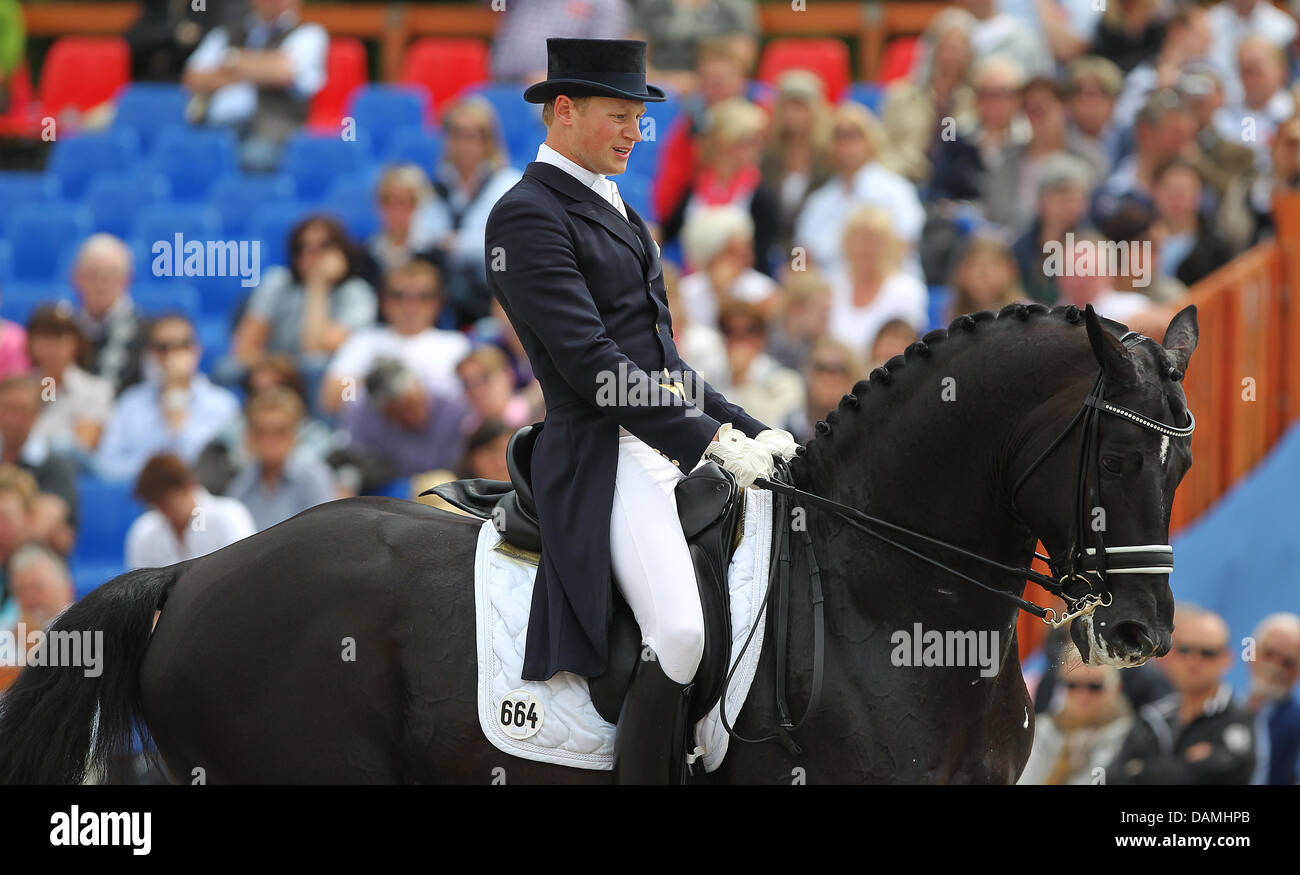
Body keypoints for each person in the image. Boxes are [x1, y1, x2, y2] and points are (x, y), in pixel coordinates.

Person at [489, 38, 796, 783]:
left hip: (657, 439)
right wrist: (708, 442)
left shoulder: (618, 204)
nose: (636, 133)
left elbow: (665, 366)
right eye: (620, 116)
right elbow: (595, 366)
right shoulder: (528, 214)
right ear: (564, 112)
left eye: (639, 118)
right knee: (681, 630)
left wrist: (754, 430)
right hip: (602, 450)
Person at [223, 215, 377, 408]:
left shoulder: (357, 293)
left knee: (317, 367)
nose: (312, 255)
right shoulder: (277, 282)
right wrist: (277, 367)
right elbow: (244, 347)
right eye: (303, 248)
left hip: (326, 380)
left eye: (323, 246)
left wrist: (318, 285)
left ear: (341, 250)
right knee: (226, 370)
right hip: (276, 370)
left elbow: (314, 348)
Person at [1106, 603, 1257, 784]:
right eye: (1184, 650)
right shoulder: (1154, 715)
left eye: (1207, 653)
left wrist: (1141, 771)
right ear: (1170, 655)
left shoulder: (1237, 719)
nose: (1194, 661)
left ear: (1226, 659)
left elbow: (1214, 776)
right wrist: (1186, 763)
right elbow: (1114, 776)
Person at [412, 95, 524, 327]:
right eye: (456, 134)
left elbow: (508, 245)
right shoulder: (437, 186)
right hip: (442, 292)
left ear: (487, 141)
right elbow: (419, 237)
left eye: (471, 136)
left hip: (493, 292)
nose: (464, 144)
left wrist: (455, 244)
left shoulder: (508, 184)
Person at [180, 0, 327, 171]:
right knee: (187, 156)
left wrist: (231, 62)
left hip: (273, 134)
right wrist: (258, 70)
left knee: (254, 157)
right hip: (216, 127)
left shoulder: (309, 33)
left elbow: (283, 73)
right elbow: (192, 79)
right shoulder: (226, 32)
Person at [95, 313, 241, 483]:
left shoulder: (223, 404)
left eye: (182, 345)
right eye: (163, 347)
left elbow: (206, 467)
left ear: (197, 349)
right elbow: (106, 464)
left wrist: (175, 399)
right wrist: (154, 470)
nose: (172, 355)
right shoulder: (131, 402)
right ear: (151, 354)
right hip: (137, 496)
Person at [318, 259, 470, 416]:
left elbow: (468, 401)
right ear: (384, 301)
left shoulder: (455, 346)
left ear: (438, 302)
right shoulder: (363, 341)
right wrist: (379, 385)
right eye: (398, 295)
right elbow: (335, 398)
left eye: (423, 296)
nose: (410, 305)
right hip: (371, 434)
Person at [338, 357, 472, 483]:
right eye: (401, 412)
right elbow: (356, 461)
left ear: (421, 389)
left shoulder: (452, 407)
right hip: (389, 489)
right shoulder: (363, 413)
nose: (412, 416)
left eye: (417, 404)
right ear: (384, 411)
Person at [223, 387, 336, 532]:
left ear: (294, 434)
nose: (269, 440)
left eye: (279, 431)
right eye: (260, 431)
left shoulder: (313, 477)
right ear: (249, 435)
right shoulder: (243, 480)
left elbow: (325, 533)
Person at [1018, 645, 1135, 785]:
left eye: (1094, 687)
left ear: (1116, 688)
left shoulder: (1130, 738)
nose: (1082, 697)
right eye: (1072, 685)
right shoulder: (1044, 730)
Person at [125, 452, 256, 569]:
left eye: (167, 502)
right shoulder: (143, 532)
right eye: (156, 505)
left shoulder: (230, 517)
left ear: (187, 486)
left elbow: (243, 574)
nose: (163, 511)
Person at [24, 303, 116, 461]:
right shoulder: (19, 388)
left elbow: (84, 444)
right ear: (32, 343)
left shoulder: (95, 390)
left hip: (68, 478)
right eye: (45, 337)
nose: (53, 346)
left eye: (60, 337)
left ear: (76, 342)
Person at [676, 204, 779, 330]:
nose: (746, 257)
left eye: (747, 249)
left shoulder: (763, 289)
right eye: (733, 253)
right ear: (710, 256)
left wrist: (723, 296)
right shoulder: (686, 292)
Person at [71, 233, 146, 395]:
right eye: (93, 274)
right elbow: (46, 386)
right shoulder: (62, 331)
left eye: (110, 275)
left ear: (127, 280)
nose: (101, 284)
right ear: (76, 278)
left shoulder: (147, 333)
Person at [1245, 613, 1300, 784]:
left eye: (1288, 662)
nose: (1275, 666)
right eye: (1269, 654)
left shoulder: (1295, 723)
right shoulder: (1223, 710)